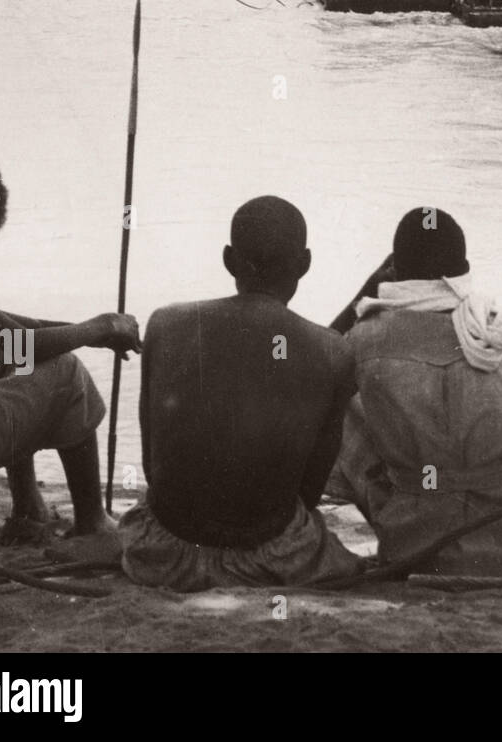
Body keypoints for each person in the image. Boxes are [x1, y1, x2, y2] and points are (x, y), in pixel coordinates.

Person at [331, 208, 502, 577]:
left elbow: (309, 373)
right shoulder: (501, 328)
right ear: (464, 271)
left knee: (336, 410)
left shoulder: (365, 337)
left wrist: (367, 290)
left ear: (394, 272)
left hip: (410, 544)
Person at [120, 197, 360, 591]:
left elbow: (151, 464)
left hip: (163, 554)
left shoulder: (165, 323)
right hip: (271, 559)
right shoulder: (334, 350)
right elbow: (309, 492)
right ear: (305, 264)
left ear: (229, 260)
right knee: (344, 562)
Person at [0, 142, 139, 542]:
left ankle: (27, 508)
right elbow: (23, 343)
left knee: (0, 354)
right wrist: (99, 327)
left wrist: (96, 332)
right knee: (64, 370)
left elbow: (1, 328)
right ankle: (93, 525)